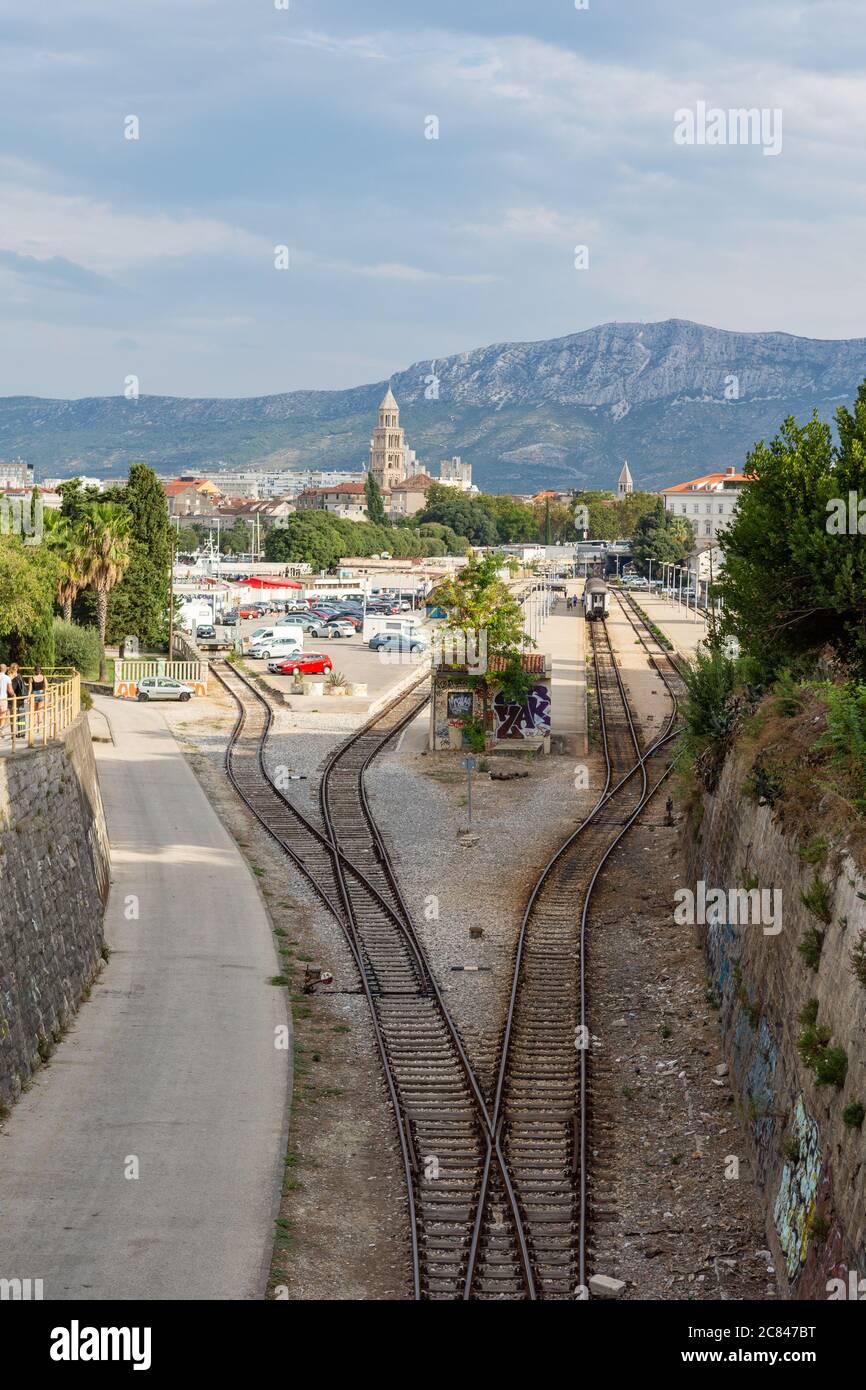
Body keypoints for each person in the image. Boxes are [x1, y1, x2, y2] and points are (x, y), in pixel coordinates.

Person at [9, 664, 26, 740]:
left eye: (16, 668)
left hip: (20, 698)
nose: (15, 669)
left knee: (21, 716)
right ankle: (13, 733)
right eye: (14, 668)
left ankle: (21, 733)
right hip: (12, 698)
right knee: (12, 717)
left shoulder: (19, 676)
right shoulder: (9, 676)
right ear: (11, 668)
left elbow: (23, 686)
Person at [30, 665, 46, 731]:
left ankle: (34, 725)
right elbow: (46, 686)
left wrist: (28, 696)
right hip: (41, 694)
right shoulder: (43, 677)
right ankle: (39, 726)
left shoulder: (31, 678)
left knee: (34, 711)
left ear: (34, 670)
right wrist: (45, 694)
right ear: (40, 671)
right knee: (40, 710)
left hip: (34, 694)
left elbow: (30, 689)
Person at [0, 663, 10, 738]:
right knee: (3, 714)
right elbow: (10, 690)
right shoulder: (7, 678)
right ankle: (1, 729)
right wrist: (14, 695)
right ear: (5, 669)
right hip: (3, 698)